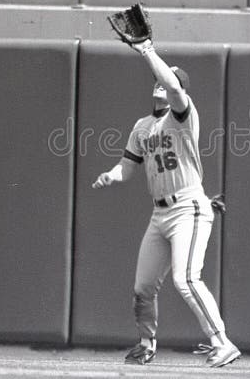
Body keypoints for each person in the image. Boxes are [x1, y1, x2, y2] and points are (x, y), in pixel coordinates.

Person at [92, 37, 241, 369]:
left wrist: (147, 50)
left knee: (186, 279)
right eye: (157, 81)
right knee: (143, 286)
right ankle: (146, 344)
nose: (160, 85)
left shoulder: (182, 116)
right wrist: (113, 175)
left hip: (188, 206)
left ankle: (222, 342)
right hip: (160, 213)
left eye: (167, 81)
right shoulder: (142, 127)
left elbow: (174, 88)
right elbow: (127, 166)